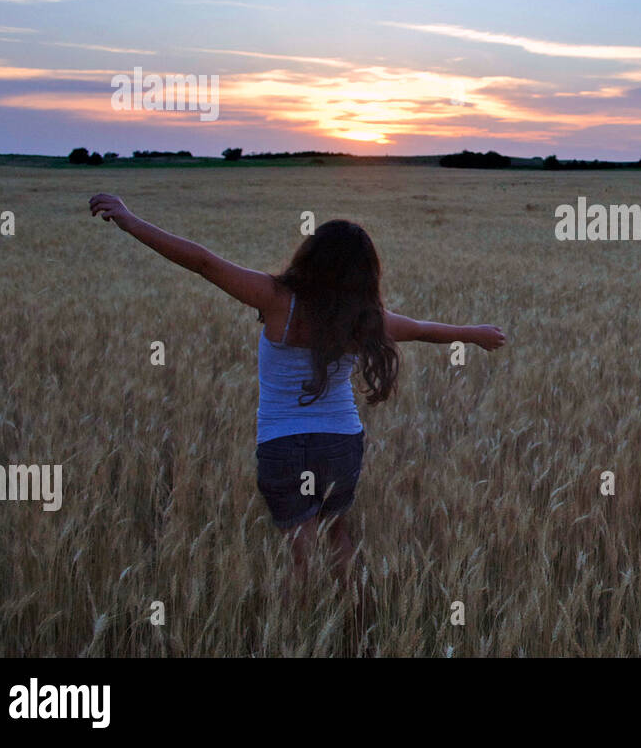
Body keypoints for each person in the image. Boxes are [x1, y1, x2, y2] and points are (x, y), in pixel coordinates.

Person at [87, 193, 506, 594]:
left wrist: (129, 220)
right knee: (338, 534)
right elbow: (425, 331)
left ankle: (294, 634)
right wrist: (476, 335)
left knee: (300, 558)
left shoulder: (275, 299)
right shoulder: (366, 319)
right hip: (340, 442)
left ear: (310, 257)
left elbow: (202, 262)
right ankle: (358, 627)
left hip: (283, 444)